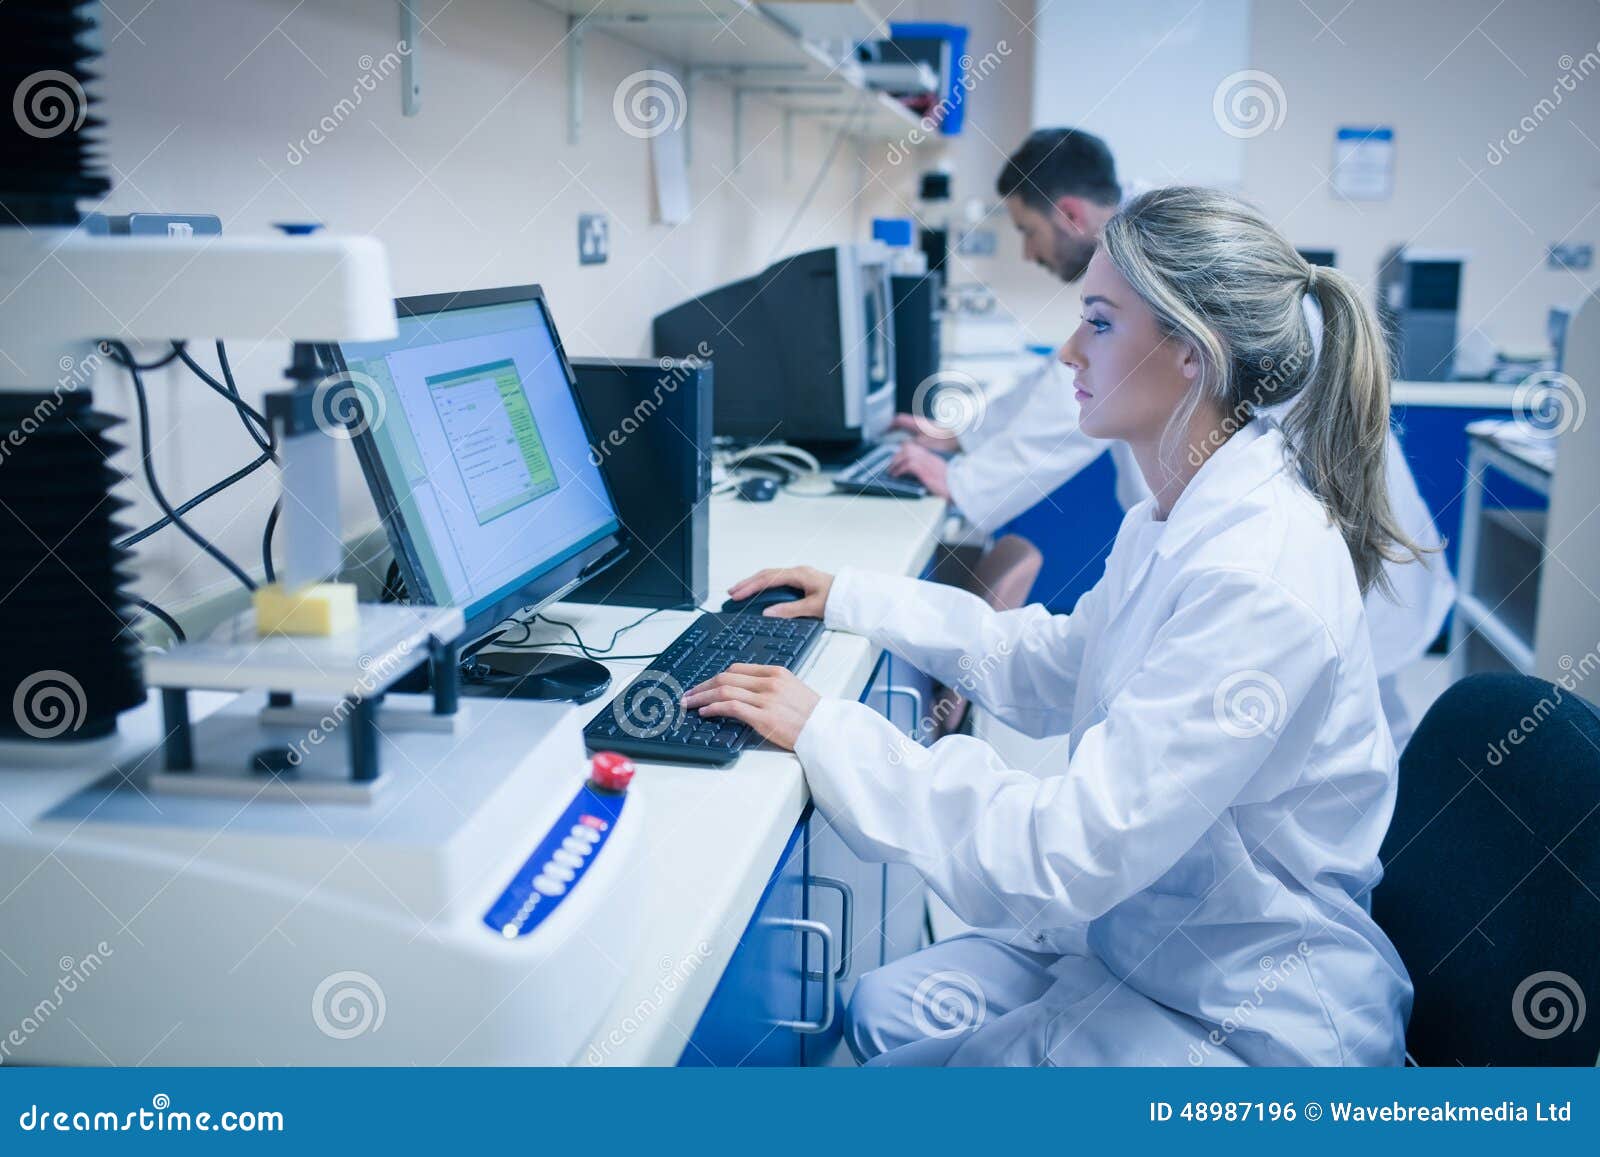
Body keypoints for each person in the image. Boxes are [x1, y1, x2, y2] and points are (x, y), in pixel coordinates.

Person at [683, 187, 1416, 1066]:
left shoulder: (1257, 577)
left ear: (1193, 354)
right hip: (1155, 938)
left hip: (1246, 1012)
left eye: (1098, 325)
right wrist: (858, 596)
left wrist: (832, 730)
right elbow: (1061, 664)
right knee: (884, 1007)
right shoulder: (1178, 515)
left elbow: (1065, 849)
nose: (1070, 351)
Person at [895, 128, 1453, 751]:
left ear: (1070, 214)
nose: (1028, 254)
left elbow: (1070, 394)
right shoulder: (1160, 524)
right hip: (1301, 554)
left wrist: (964, 479)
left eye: (1027, 231)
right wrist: (965, 440)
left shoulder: (1163, 253)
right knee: (1335, 747)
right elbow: (1058, 378)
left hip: (1342, 561)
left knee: (1344, 745)